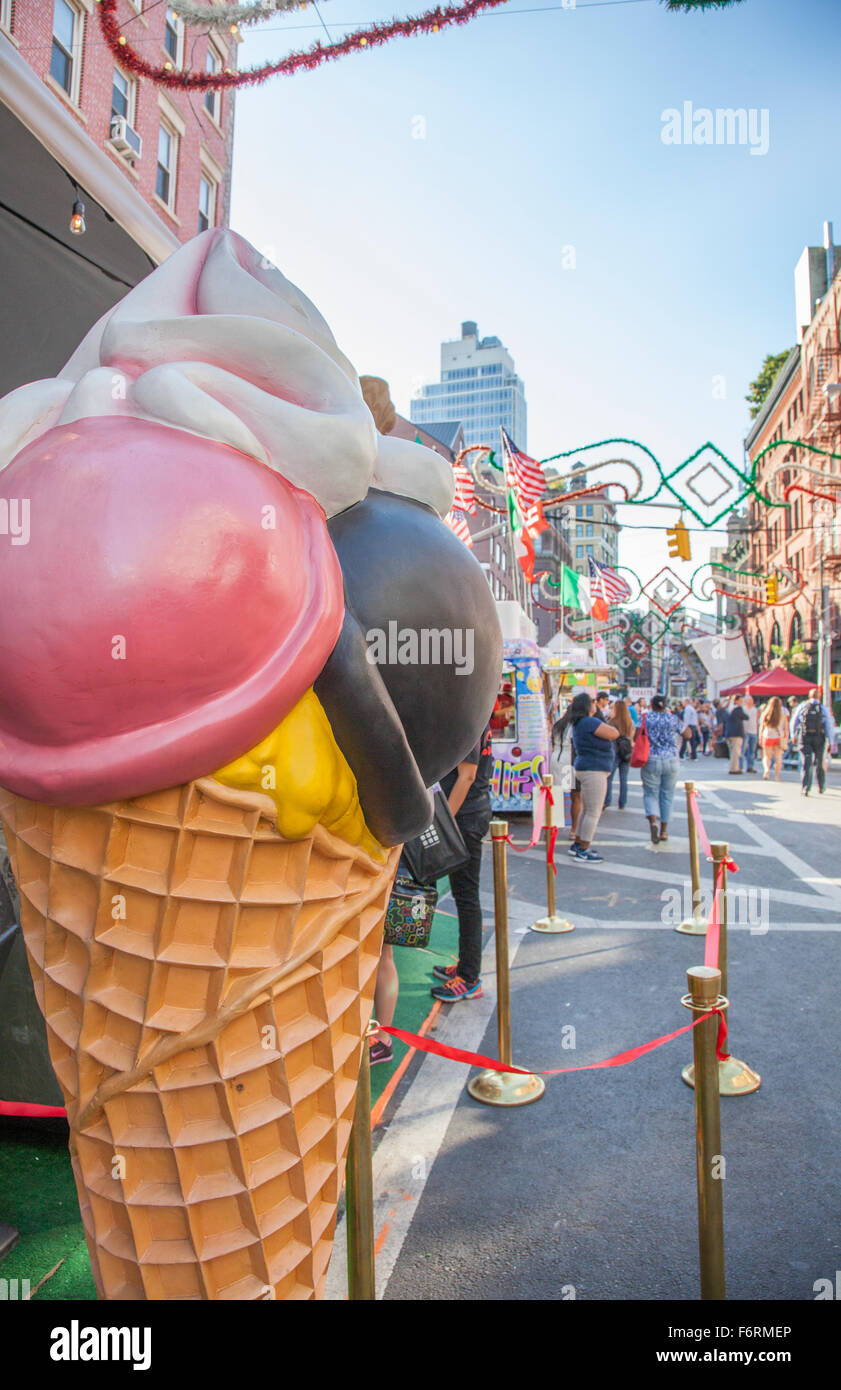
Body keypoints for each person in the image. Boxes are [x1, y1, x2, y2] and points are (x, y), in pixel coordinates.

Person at [430, 722, 493, 1002]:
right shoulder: (475, 714)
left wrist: (445, 822)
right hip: (469, 815)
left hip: (465, 818)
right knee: (462, 895)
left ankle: (469, 978)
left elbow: (467, 776)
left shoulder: (470, 717)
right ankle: (467, 965)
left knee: (466, 897)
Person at [568, 692, 619, 862]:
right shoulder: (589, 722)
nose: (595, 704)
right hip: (594, 769)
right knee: (594, 811)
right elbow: (613, 733)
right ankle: (584, 849)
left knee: (587, 809)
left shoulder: (580, 723)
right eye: (592, 702)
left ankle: (578, 843)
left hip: (586, 766)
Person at [639, 693, 682, 844]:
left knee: (650, 793)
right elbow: (687, 732)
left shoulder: (646, 718)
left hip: (650, 758)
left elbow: (637, 734)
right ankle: (664, 830)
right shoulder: (673, 718)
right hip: (671, 759)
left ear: (651, 704)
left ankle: (653, 821)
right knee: (667, 795)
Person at [791, 687, 836, 796]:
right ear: (819, 696)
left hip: (805, 736)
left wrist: (793, 735)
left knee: (806, 762)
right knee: (820, 762)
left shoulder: (802, 706)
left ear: (809, 696)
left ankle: (806, 787)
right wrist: (831, 741)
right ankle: (821, 786)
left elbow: (794, 721)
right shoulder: (823, 708)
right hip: (818, 737)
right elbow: (829, 726)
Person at [551, 702, 581, 841]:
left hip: (555, 759)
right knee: (575, 796)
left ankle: (553, 827)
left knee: (556, 794)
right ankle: (573, 830)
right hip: (568, 760)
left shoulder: (558, 725)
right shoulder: (574, 727)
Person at [604, 699, 633, 809]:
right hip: (626, 751)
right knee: (624, 779)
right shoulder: (629, 722)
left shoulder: (613, 721)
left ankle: (607, 800)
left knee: (609, 777)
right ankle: (622, 802)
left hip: (615, 750)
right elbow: (631, 735)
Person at [758, 695, 789, 781]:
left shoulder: (765, 714)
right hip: (779, 737)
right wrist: (786, 738)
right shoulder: (783, 715)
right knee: (778, 758)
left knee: (767, 757)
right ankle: (777, 776)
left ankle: (767, 770)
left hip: (767, 736)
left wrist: (760, 737)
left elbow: (761, 727)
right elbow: (786, 728)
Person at [724, 694, 749, 774]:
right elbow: (746, 717)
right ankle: (734, 769)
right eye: (741, 700)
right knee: (736, 752)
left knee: (732, 752)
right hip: (736, 733)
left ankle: (733, 767)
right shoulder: (738, 709)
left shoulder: (728, 709)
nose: (742, 702)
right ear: (736, 701)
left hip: (729, 733)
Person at [740, 694, 759, 773]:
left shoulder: (755, 710)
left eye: (751, 700)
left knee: (752, 751)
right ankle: (740, 765)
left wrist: (757, 730)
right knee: (742, 749)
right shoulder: (742, 709)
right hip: (745, 731)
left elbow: (757, 720)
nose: (751, 701)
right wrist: (742, 729)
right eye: (749, 700)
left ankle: (750, 766)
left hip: (753, 731)